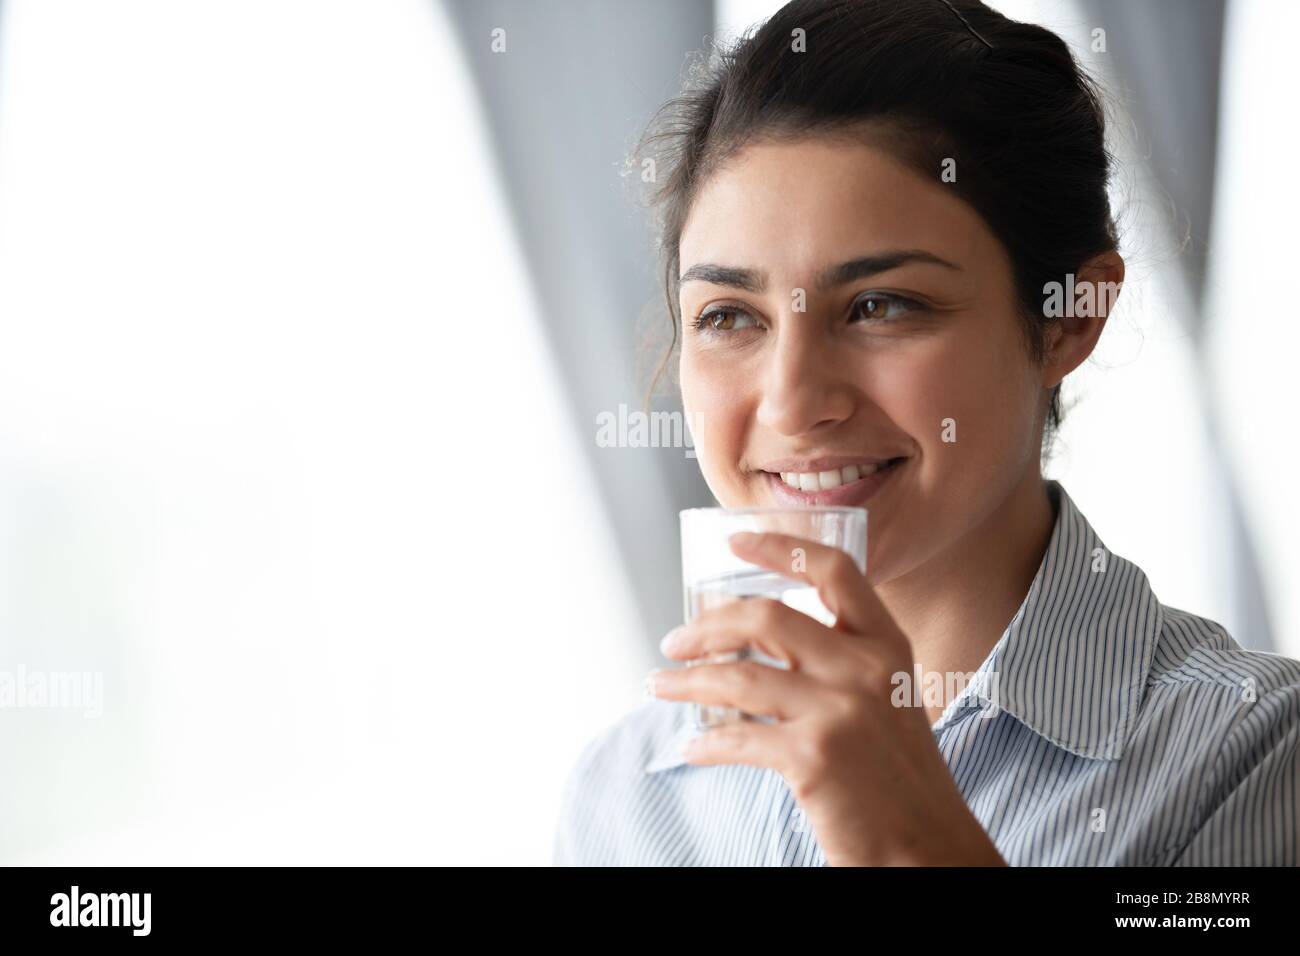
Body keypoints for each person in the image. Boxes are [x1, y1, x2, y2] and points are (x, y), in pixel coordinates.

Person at [553, 0, 1300, 865]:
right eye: (729, 317)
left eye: (880, 306)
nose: (794, 403)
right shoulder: (627, 792)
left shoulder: (1253, 757)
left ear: (1067, 318)